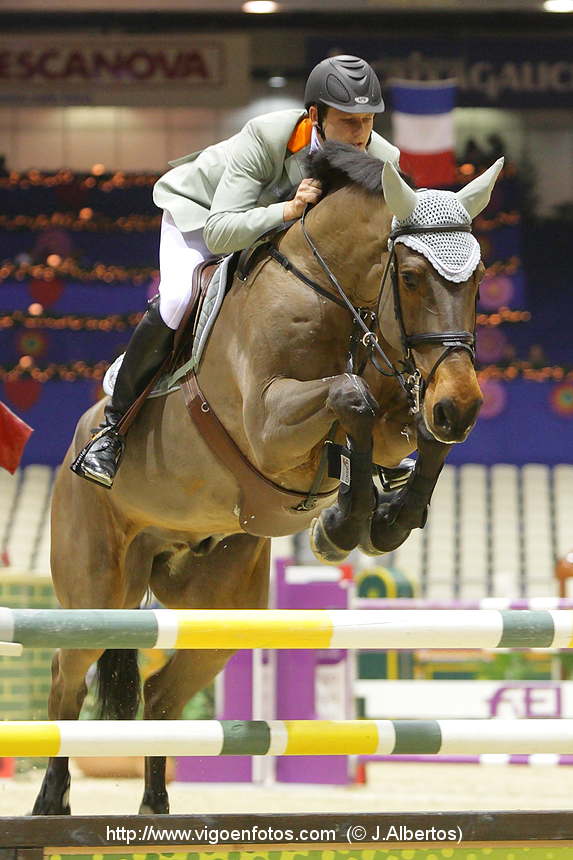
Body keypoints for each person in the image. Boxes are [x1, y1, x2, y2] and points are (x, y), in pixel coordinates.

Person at [73, 54, 400, 488]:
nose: (360, 135)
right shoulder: (268, 135)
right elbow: (222, 232)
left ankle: (371, 449)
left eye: (367, 120)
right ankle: (111, 432)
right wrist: (288, 208)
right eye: (348, 121)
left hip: (275, 234)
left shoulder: (383, 157)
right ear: (316, 116)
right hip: (202, 215)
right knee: (179, 298)